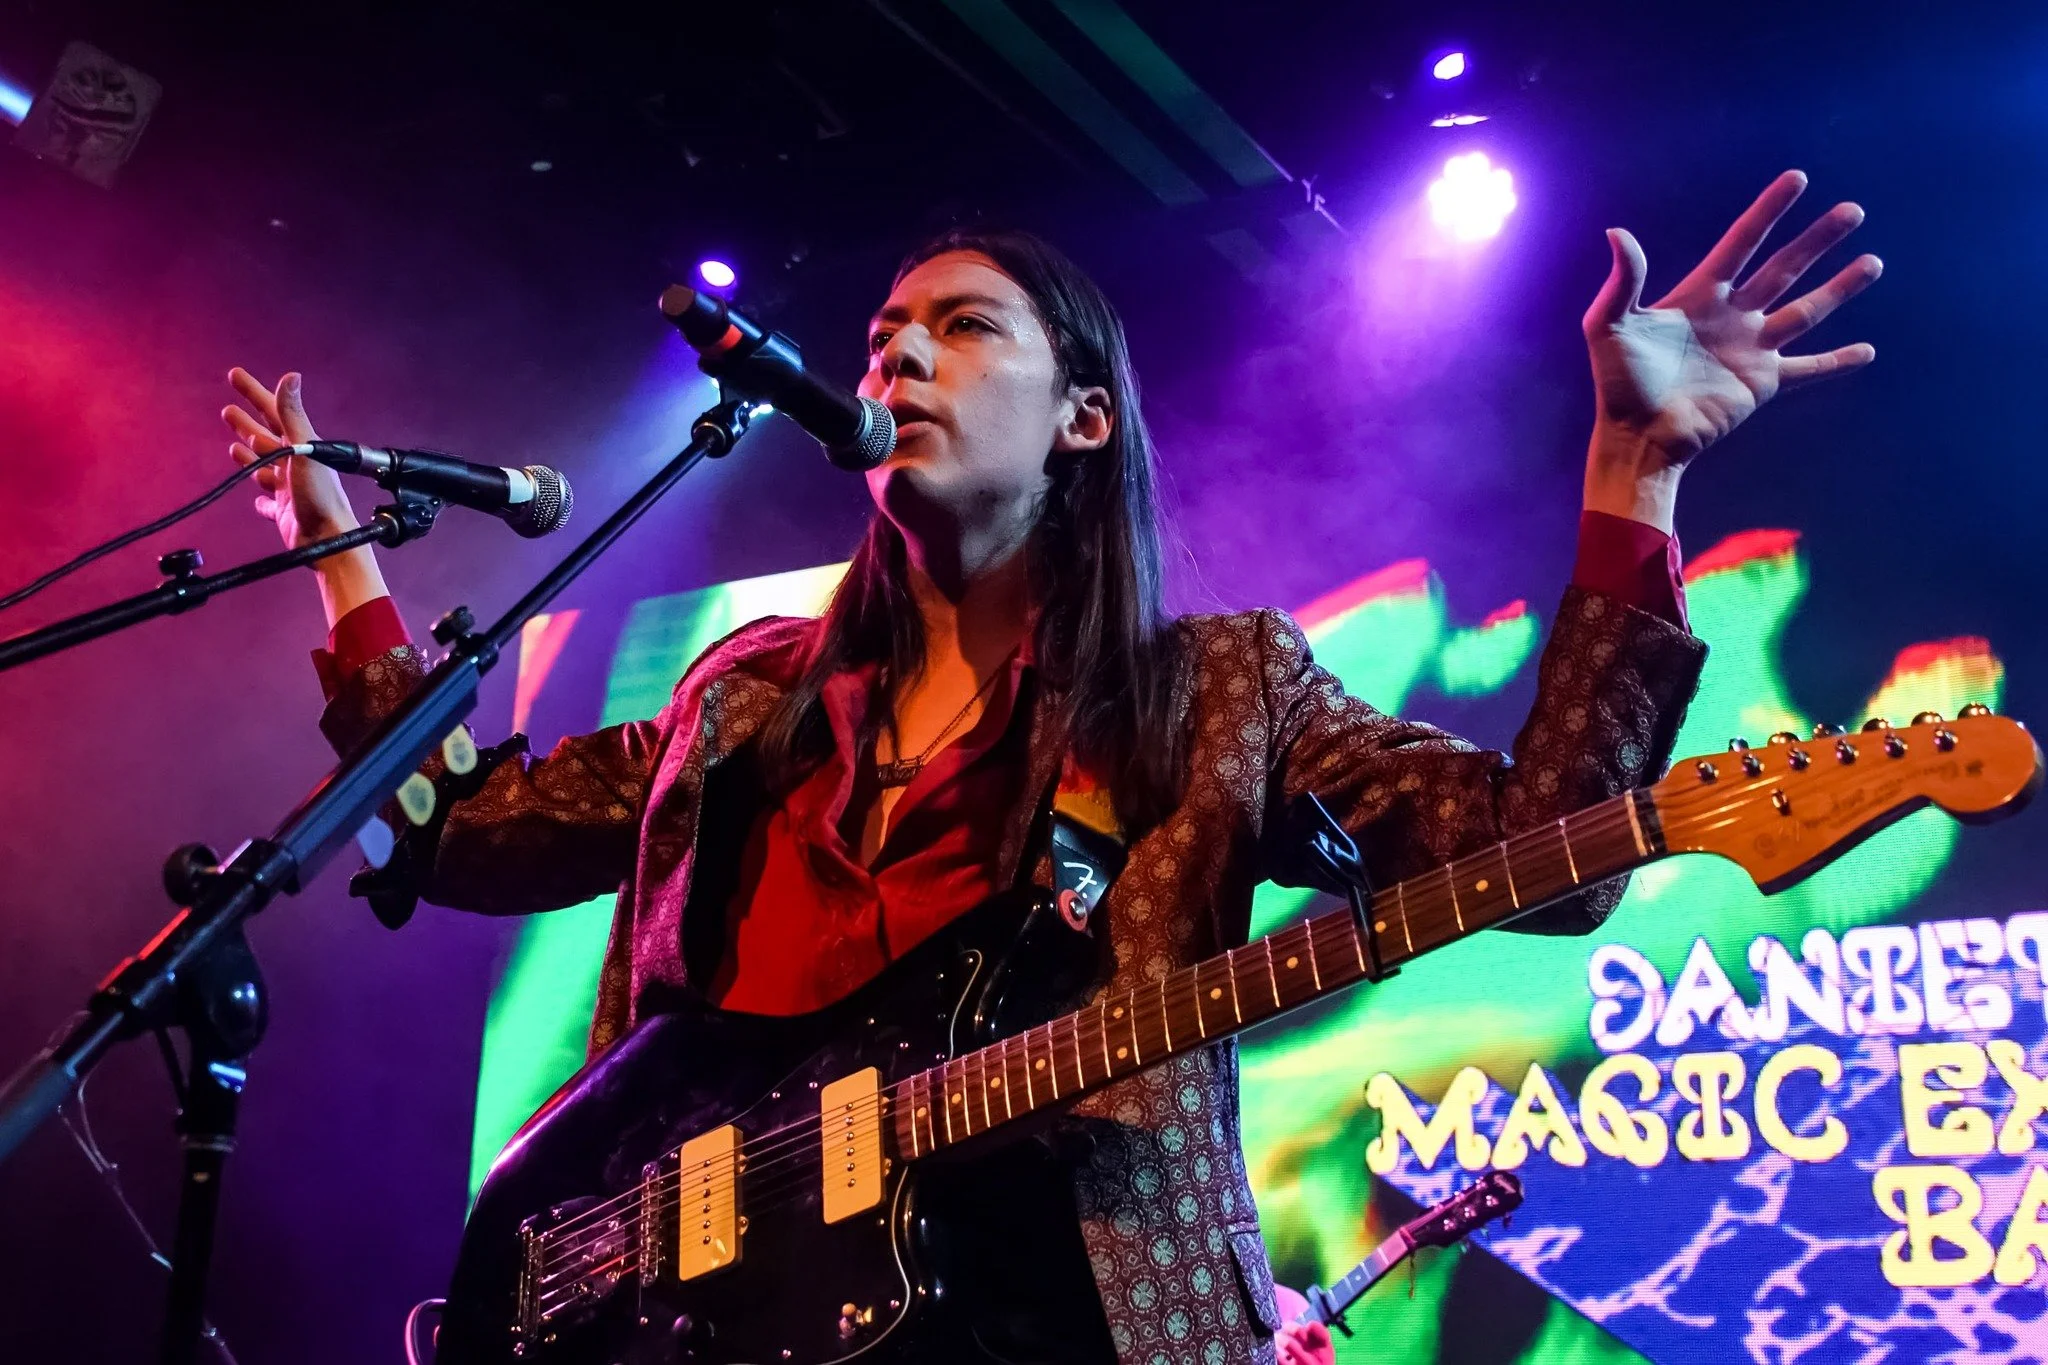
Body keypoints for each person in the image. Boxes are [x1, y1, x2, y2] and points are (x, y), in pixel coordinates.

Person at [223, 172, 1876, 1364]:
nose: (897, 361)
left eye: (960, 328)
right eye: (883, 337)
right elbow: (457, 836)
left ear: (1085, 419)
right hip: (694, 1316)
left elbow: (1556, 856)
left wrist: (1632, 469)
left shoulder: (1219, 690)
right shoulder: (740, 704)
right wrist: (343, 565)